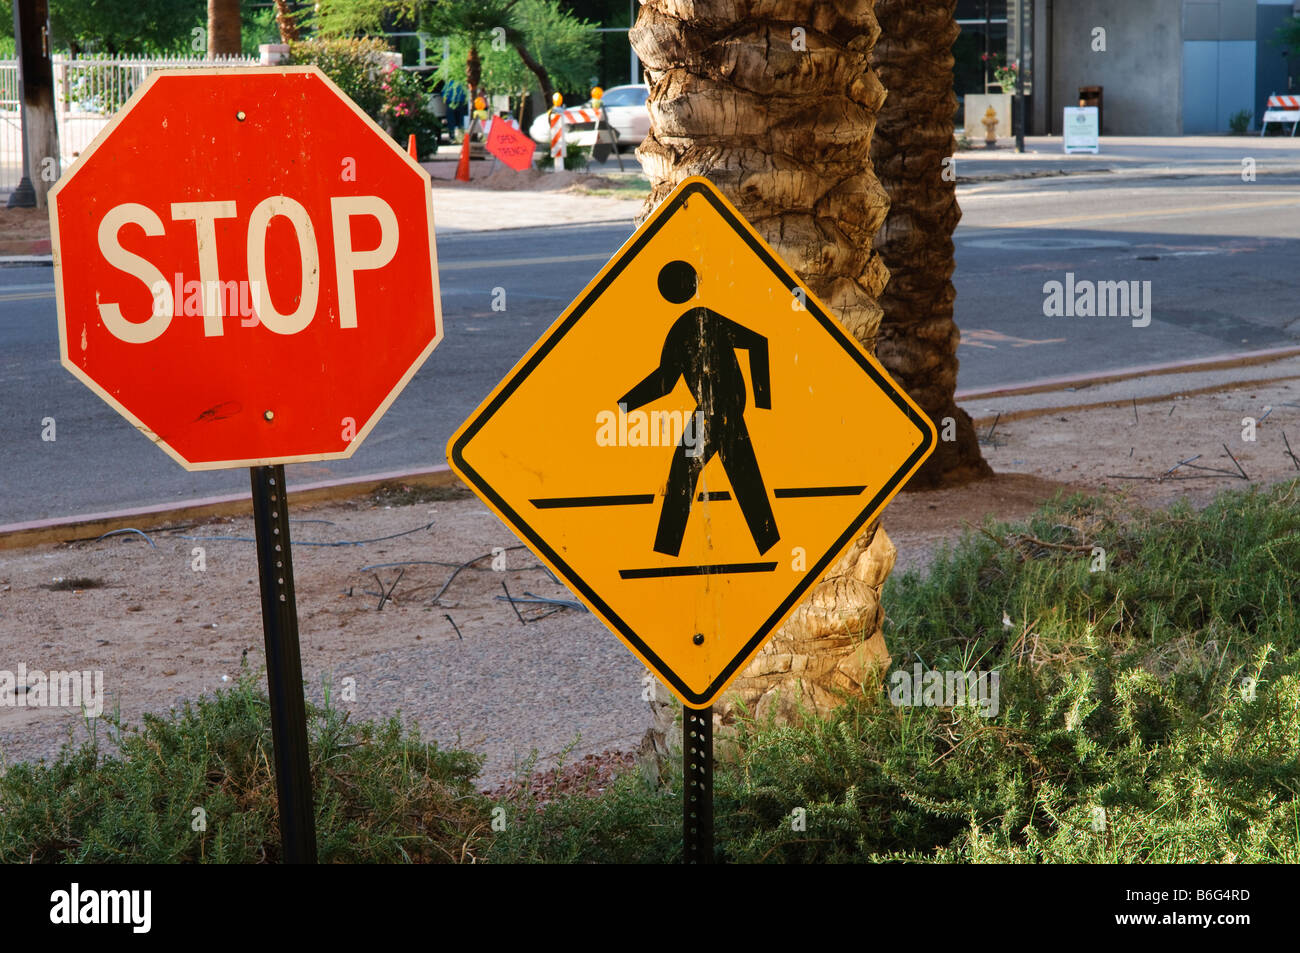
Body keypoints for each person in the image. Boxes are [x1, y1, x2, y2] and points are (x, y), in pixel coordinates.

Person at [619, 260, 779, 558]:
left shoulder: (691, 323)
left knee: (683, 476)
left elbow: (664, 383)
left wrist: (764, 402)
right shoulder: (698, 320)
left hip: (713, 413)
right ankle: (768, 543)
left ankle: (666, 551)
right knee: (744, 479)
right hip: (722, 410)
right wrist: (625, 405)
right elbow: (665, 383)